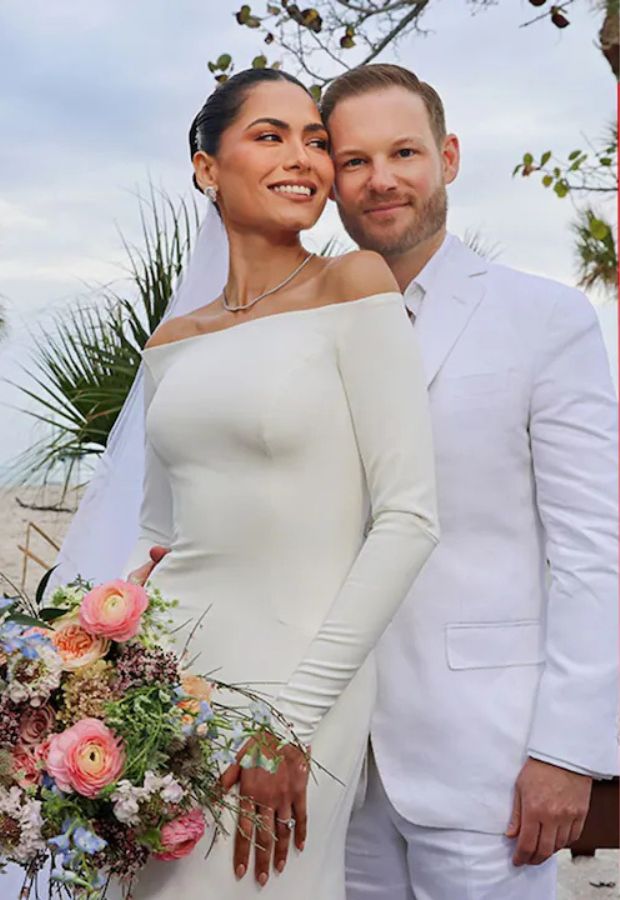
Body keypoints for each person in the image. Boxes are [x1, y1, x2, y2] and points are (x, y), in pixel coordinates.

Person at [109, 66, 438, 899]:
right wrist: (96, 676)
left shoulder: (354, 284)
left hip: (296, 692)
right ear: (206, 167)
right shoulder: (172, 341)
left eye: (316, 140)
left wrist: (286, 725)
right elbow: (161, 535)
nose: (304, 157)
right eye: (271, 135)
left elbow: (408, 521)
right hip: (167, 690)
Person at [309, 64, 619, 900]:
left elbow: (596, 549)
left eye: (404, 152)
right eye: (355, 159)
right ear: (329, 176)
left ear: (446, 156)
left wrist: (569, 749)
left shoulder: (543, 319)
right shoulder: (304, 329)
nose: (382, 180)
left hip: (492, 767)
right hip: (336, 769)